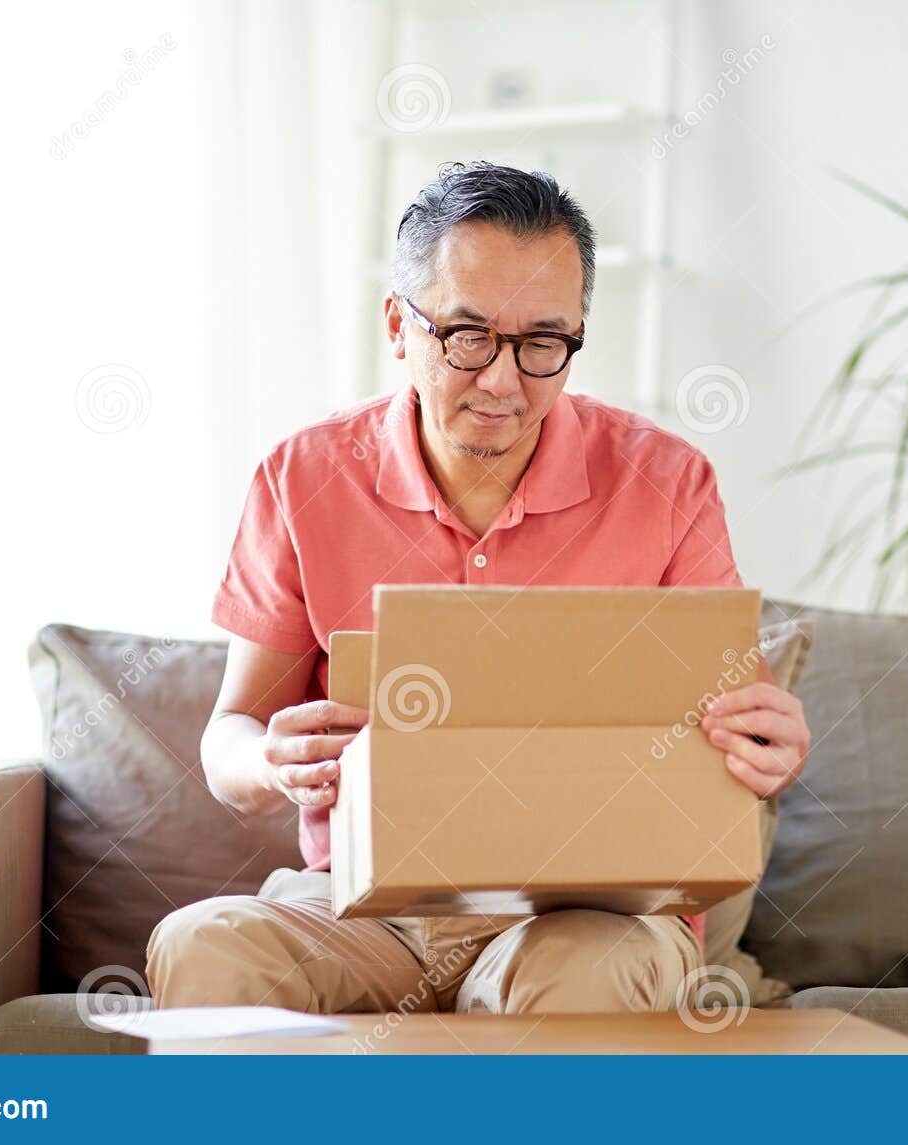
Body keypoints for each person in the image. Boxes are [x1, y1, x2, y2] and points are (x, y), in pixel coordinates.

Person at [146, 161, 810, 1015]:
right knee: (204, 942)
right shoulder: (302, 475)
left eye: (543, 343)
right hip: (368, 910)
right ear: (398, 323)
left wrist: (771, 748)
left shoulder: (666, 482)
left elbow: (733, 737)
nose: (502, 381)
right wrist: (271, 760)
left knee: (575, 974)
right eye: (466, 335)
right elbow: (228, 737)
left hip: (589, 917)